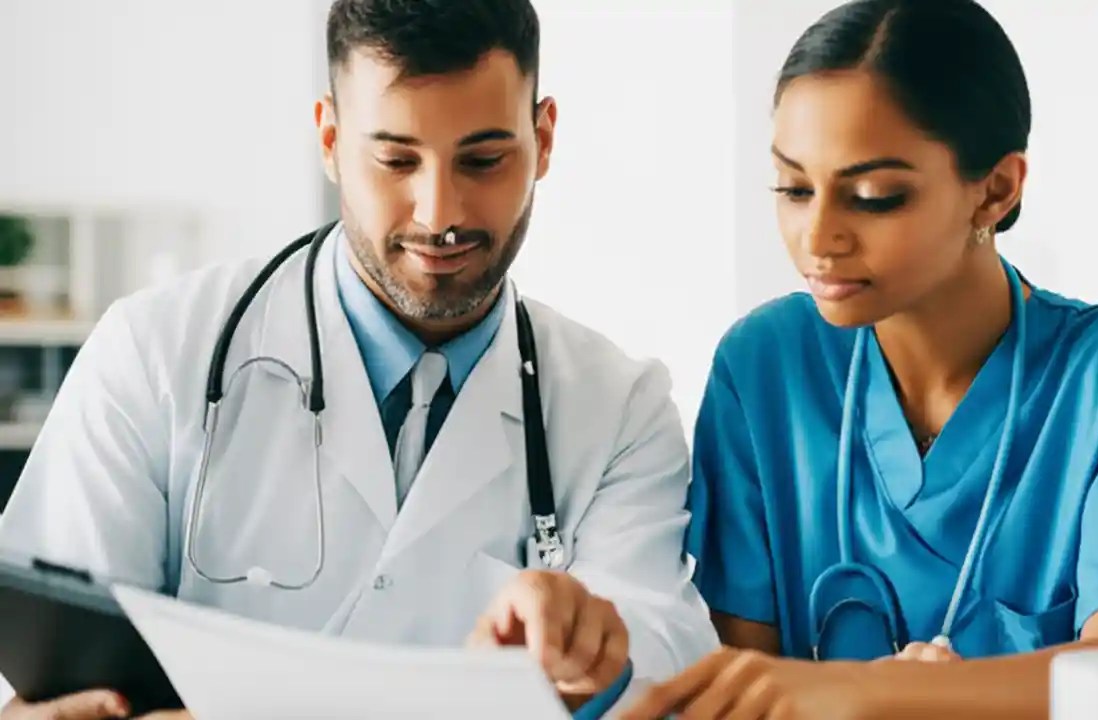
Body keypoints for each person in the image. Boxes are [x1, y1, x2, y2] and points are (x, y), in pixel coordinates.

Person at [0, 1, 717, 718]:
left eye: (484, 160)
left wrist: (588, 647)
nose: (438, 214)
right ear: (331, 137)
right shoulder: (155, 355)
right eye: (396, 159)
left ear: (545, 137)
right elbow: (57, 658)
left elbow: (658, 666)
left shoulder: (619, 410)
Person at [621, 0, 1098, 718]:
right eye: (794, 189)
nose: (818, 236)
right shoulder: (763, 367)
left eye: (874, 196)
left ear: (996, 190)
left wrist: (885, 691)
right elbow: (740, 681)